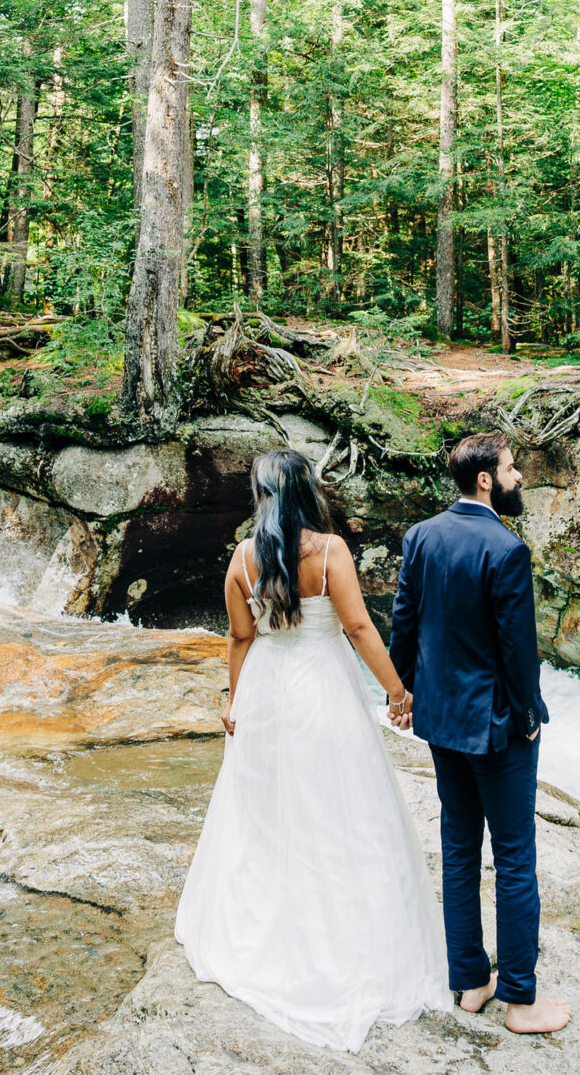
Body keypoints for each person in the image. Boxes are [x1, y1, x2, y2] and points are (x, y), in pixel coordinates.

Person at [174, 447, 450, 1052]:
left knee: (267, 815)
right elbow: (358, 629)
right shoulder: (328, 552)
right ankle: (344, 937)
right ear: (306, 491)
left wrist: (234, 702)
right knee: (340, 811)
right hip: (324, 690)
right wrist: (398, 691)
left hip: (269, 693)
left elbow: (240, 637)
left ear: (262, 495)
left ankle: (273, 926)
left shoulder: (244, 559)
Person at [388, 431, 572, 1035]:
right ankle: (520, 1001)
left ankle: (470, 983)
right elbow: (520, 654)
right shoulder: (506, 549)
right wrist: (528, 718)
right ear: (487, 479)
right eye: (513, 469)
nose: (519, 478)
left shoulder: (421, 537)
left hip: (441, 723)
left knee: (461, 852)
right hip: (495, 728)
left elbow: (405, 625)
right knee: (515, 858)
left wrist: (408, 693)